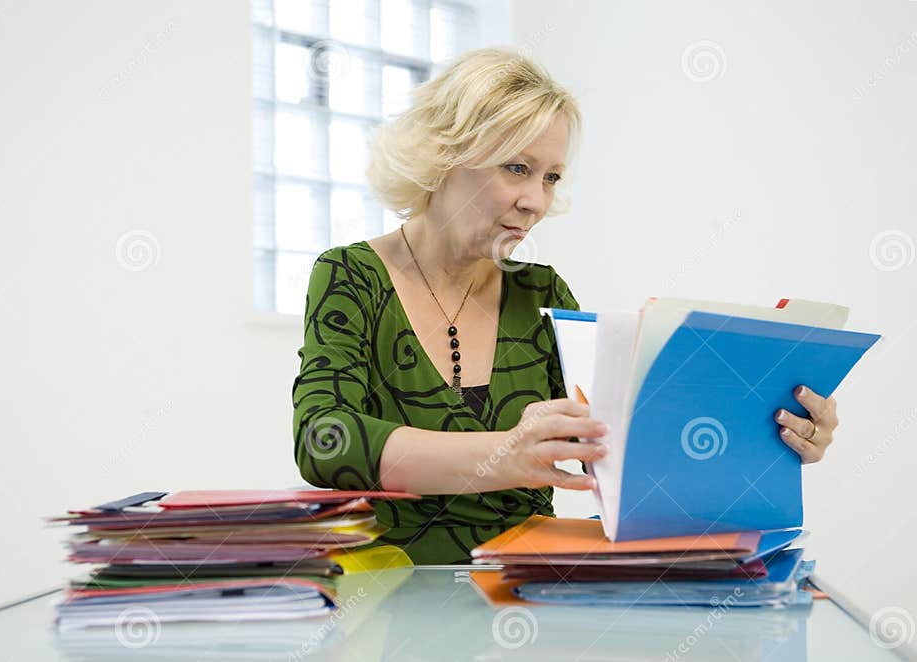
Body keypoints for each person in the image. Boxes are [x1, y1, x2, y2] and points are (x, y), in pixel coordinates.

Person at [291, 48, 840, 564]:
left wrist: (769, 436)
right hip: (388, 595)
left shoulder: (542, 295)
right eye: (516, 168)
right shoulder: (350, 276)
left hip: (520, 598)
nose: (535, 202)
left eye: (551, 177)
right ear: (445, 155)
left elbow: (627, 450)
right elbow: (323, 440)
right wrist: (502, 454)